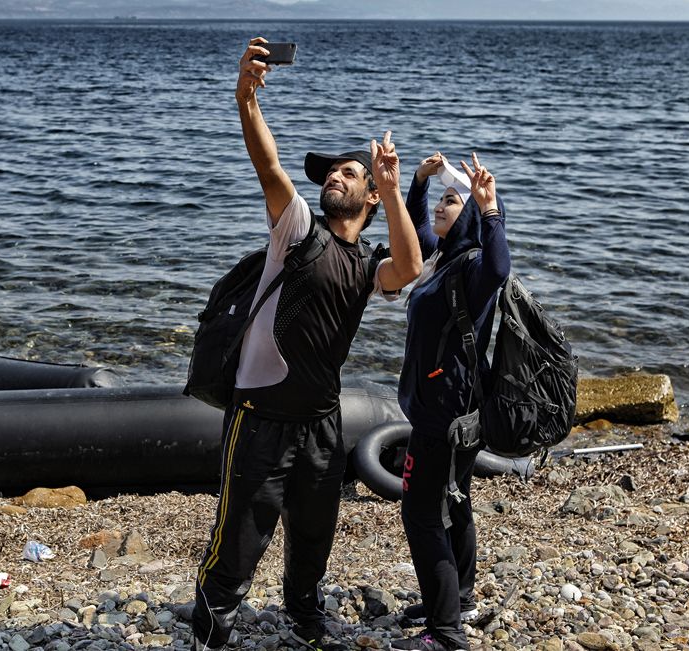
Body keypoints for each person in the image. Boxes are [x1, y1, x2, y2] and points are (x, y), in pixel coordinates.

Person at [191, 37, 423, 651]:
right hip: (260, 415)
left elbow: (411, 266)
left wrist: (396, 189)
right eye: (332, 175)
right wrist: (246, 99)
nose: (334, 180)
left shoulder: (371, 262)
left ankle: (303, 610)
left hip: (321, 421)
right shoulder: (297, 231)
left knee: (315, 532)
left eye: (349, 174)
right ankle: (211, 625)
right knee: (240, 534)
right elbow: (269, 166)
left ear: (371, 196)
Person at [390, 150, 510, 651]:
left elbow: (502, 266)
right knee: (456, 504)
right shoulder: (441, 257)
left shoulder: (475, 267)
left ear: (470, 218)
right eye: (442, 200)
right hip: (445, 408)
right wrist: (417, 182)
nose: (440, 208)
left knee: (420, 514)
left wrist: (490, 209)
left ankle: (445, 633)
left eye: (449, 201)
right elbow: (414, 234)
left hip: (445, 413)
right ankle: (457, 599)